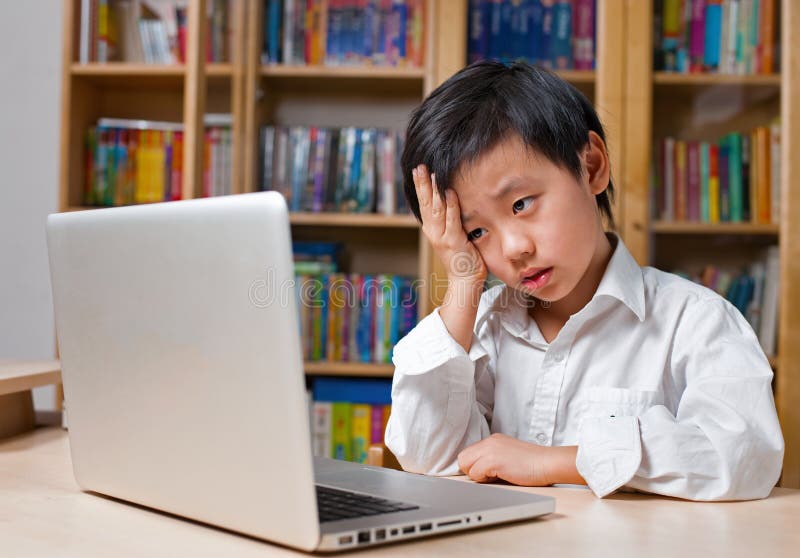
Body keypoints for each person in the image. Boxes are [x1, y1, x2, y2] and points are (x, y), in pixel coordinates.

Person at [384, 60, 784, 501]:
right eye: (476, 231)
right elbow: (428, 459)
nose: (514, 247)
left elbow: (745, 455)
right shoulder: (477, 332)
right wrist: (462, 285)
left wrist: (557, 461)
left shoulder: (695, 322)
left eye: (521, 204)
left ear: (591, 166)